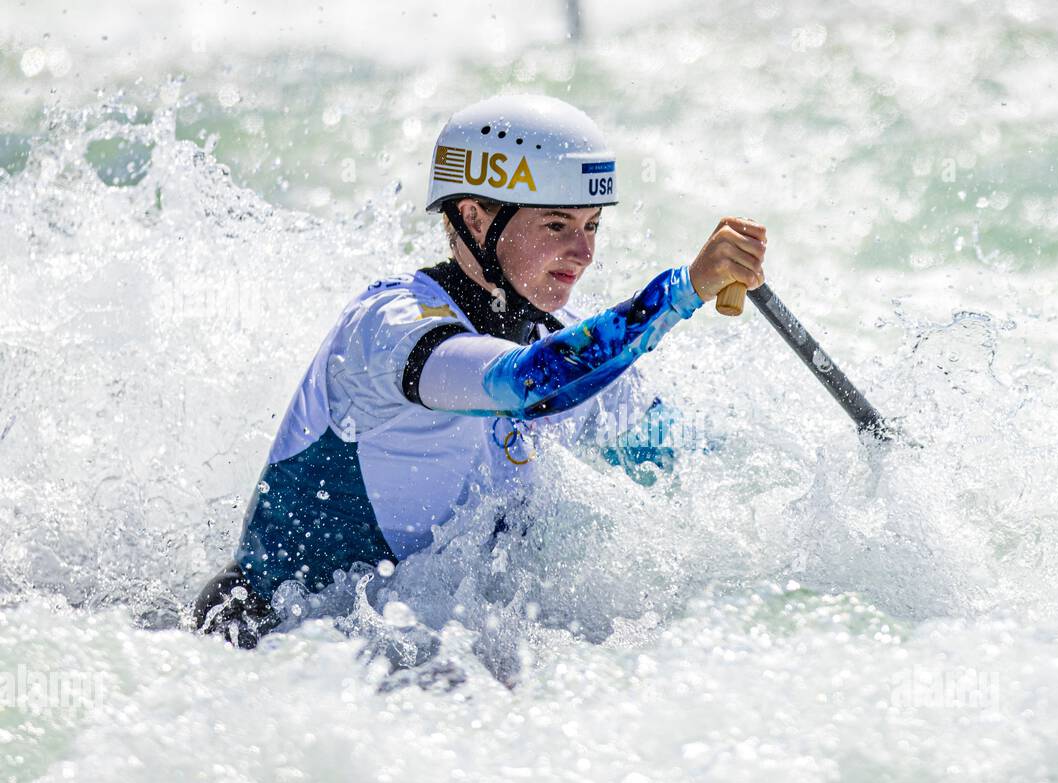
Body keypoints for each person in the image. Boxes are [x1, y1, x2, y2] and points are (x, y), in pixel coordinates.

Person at [192, 92, 767, 649]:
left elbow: (681, 462)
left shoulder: (568, 338)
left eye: (592, 226)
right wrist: (683, 292)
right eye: (556, 226)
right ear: (474, 216)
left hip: (418, 650)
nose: (583, 252)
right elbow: (525, 384)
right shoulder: (391, 324)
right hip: (272, 649)